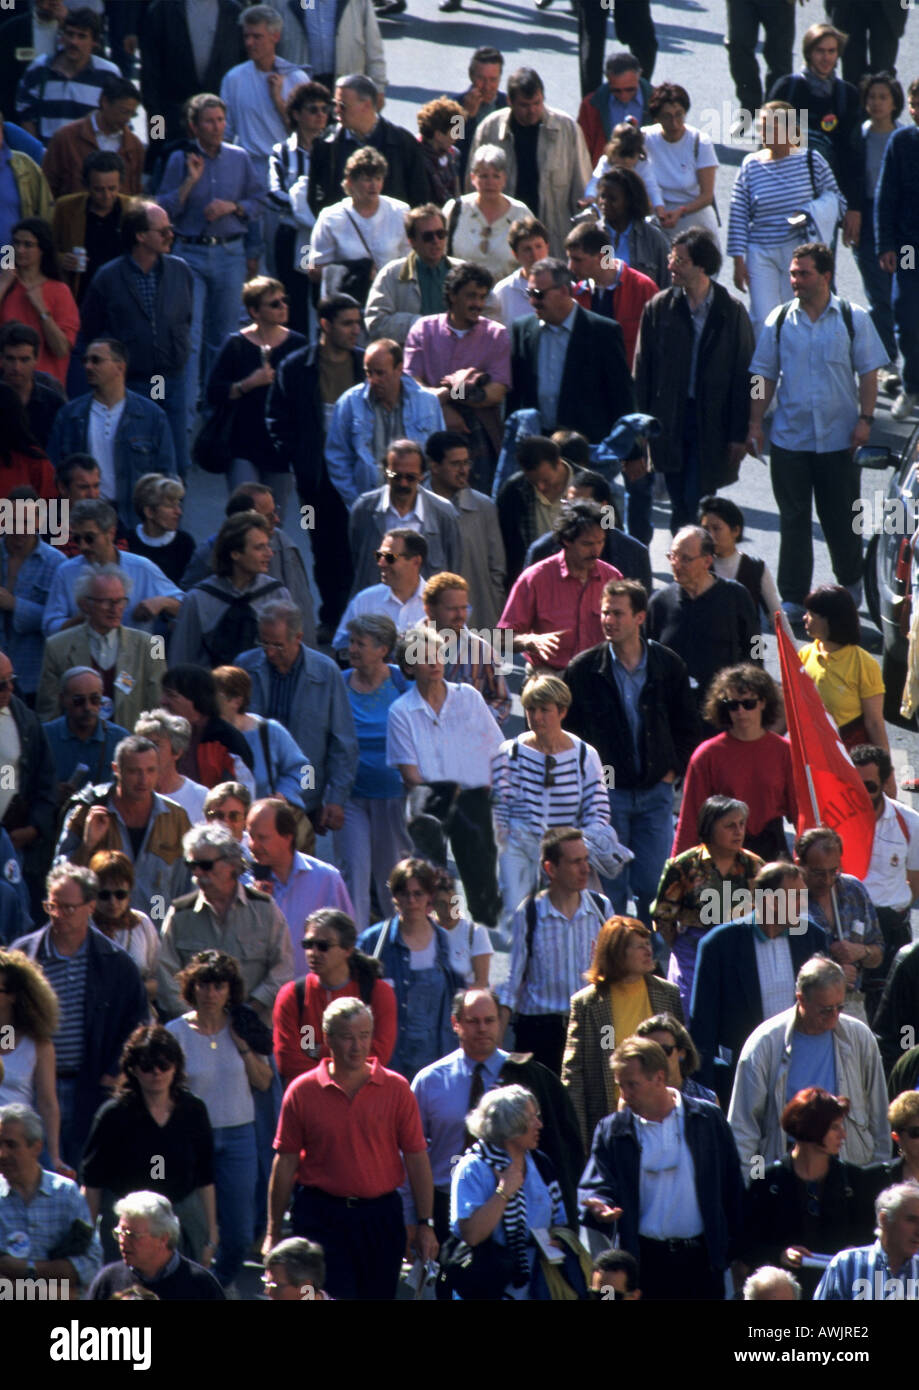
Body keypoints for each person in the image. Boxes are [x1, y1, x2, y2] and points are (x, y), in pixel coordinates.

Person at [266, 996, 437, 1300]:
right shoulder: (303, 1091)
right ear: (328, 1038)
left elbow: (416, 1158)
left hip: (380, 1217)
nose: (357, 1046)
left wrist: (425, 1222)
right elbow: (286, 1162)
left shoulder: (396, 1089)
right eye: (347, 1037)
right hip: (321, 1216)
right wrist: (273, 1230)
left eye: (364, 1036)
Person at [748, 240, 886, 617]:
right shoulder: (778, 321)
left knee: (841, 518)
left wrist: (866, 419)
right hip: (790, 441)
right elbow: (762, 376)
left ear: (825, 276)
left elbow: (869, 372)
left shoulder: (851, 318)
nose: (795, 280)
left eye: (803, 273)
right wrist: (756, 421)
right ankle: (793, 597)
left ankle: (850, 585)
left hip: (839, 440)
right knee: (793, 520)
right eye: (793, 273)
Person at [565, 578, 698, 925]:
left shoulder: (667, 665)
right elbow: (572, 736)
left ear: (640, 617)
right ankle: (615, 957)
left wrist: (672, 771)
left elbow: (688, 724)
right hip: (606, 798)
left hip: (655, 796)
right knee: (612, 890)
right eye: (605, 612)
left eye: (618, 613)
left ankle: (654, 959)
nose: (609, 620)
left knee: (654, 885)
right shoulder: (582, 670)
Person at [579, 1037, 744, 1302]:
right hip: (645, 1264)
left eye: (632, 1085)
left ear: (658, 1077)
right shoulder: (613, 1129)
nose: (624, 1095)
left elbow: (732, 1186)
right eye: (620, 1086)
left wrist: (737, 1252)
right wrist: (599, 1204)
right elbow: (596, 1183)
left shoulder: (708, 1119)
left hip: (701, 1263)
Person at [12, 863, 147, 1168]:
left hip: (92, 1086)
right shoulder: (23, 959)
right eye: (53, 906)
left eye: (69, 908)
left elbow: (136, 1022)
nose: (59, 915)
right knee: (35, 1170)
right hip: (32, 1085)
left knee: (87, 1170)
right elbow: (4, 1020)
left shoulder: (116, 963)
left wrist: (116, 1069)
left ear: (90, 906)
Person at [634, 227, 755, 532]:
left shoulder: (731, 312)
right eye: (671, 258)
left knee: (696, 500)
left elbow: (745, 377)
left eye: (680, 261)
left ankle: (694, 562)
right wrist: (641, 425)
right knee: (679, 500)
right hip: (670, 422)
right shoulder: (659, 308)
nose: (671, 266)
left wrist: (739, 433)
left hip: (712, 424)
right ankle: (689, 563)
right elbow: (642, 370)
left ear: (702, 266)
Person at [155, 92, 263, 433]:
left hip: (230, 253)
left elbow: (259, 201)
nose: (216, 127)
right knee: (191, 336)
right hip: (190, 254)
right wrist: (190, 181)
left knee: (225, 337)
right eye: (208, 121)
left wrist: (233, 208)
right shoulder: (179, 159)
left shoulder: (239, 157)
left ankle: (218, 413)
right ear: (194, 126)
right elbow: (163, 210)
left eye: (220, 120)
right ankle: (185, 417)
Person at [165, 949, 272, 1289]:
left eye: (219, 986)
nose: (210, 993)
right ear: (191, 988)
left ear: (230, 991)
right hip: (193, 1140)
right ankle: (195, 1287)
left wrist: (242, 1047)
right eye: (203, 985)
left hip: (239, 1135)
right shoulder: (175, 1033)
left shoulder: (243, 1026)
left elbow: (264, 1081)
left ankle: (218, 1284)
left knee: (240, 1230)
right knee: (195, 1227)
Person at [728, 956, 890, 1176]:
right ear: (801, 999)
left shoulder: (860, 1038)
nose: (834, 1017)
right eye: (825, 1010)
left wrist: (877, 1176)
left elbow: (879, 1115)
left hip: (849, 1169)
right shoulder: (764, 1044)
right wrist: (754, 1183)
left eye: (839, 1007)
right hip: (787, 1170)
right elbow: (744, 1128)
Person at [386, 627, 502, 927]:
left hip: (473, 800)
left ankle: (479, 949)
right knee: (434, 884)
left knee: (483, 892)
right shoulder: (400, 711)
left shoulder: (469, 698)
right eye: (424, 657)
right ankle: (441, 942)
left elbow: (494, 751)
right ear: (409, 667)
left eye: (437, 653)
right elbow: (411, 776)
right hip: (428, 806)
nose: (435, 661)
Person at [689, 862, 829, 1106]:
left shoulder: (812, 937)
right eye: (795, 897)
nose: (803, 905)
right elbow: (703, 1028)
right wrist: (706, 1094)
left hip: (801, 1073)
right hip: (741, 1079)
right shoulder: (719, 945)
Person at [265, 293, 363, 631]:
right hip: (316, 481)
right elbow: (276, 417)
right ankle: (332, 617)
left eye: (357, 322)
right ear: (325, 324)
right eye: (347, 323)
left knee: (361, 549)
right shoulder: (295, 367)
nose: (355, 330)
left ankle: (361, 619)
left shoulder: (364, 365)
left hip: (358, 476)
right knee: (323, 546)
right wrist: (296, 457)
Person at [81, 1024, 216, 1265]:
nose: (156, 1072)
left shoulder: (193, 1110)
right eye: (147, 1066)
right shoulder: (114, 1114)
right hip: (128, 1223)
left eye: (164, 1064)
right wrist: (89, 1238)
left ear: (176, 1067)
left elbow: (205, 1177)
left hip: (181, 1217)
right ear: (133, 1069)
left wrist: (211, 1235)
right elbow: (92, 1183)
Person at [77, 199, 193, 477]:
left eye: (170, 229)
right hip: (130, 382)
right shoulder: (109, 277)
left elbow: (185, 320)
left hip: (169, 379)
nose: (170, 236)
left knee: (176, 461)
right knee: (135, 461)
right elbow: (91, 330)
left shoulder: (180, 271)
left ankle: (172, 517)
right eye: (162, 231)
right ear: (140, 236)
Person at [492, 674, 612, 929]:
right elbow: (499, 814)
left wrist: (573, 852)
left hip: (572, 867)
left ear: (562, 712)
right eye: (530, 709)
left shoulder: (585, 755)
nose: (536, 717)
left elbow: (598, 811)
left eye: (544, 710)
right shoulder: (508, 754)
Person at [497, 827, 612, 1076]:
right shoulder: (529, 913)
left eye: (586, 860)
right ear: (551, 869)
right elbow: (510, 984)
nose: (586, 869)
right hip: (540, 1032)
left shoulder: (602, 909)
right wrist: (496, 1050)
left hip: (591, 1028)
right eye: (575, 862)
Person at [236, 600, 359, 830]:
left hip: (306, 786)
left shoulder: (325, 672)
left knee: (301, 861)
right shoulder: (246, 666)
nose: (270, 652)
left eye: (278, 645)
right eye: (264, 643)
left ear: (298, 638)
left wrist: (336, 799)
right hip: (254, 790)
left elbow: (343, 741)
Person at [744, 1086, 876, 1298]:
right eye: (835, 1127)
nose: (843, 1134)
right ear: (812, 1128)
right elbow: (746, 1243)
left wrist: (855, 1252)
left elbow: (872, 1238)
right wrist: (780, 1253)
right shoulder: (766, 1179)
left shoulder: (854, 1179)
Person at [563, 918, 683, 1152]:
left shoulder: (667, 994)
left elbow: (681, 1058)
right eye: (639, 946)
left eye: (648, 943)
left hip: (663, 1120)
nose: (648, 950)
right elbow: (573, 1075)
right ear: (617, 953)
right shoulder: (587, 1003)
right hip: (613, 1124)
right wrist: (578, 1138)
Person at [728, 100, 844, 337]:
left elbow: (837, 202)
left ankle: (793, 371)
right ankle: (765, 373)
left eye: (771, 128)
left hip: (799, 252)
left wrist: (810, 211)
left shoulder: (811, 160)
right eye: (761, 128)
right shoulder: (751, 165)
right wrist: (737, 260)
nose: (764, 134)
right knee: (763, 319)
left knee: (797, 315)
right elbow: (738, 212)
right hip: (760, 252)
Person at [156, 822, 292, 1025]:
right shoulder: (180, 914)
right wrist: (199, 1018)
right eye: (192, 866)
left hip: (252, 1030)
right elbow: (166, 976)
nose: (198, 873)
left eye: (206, 865)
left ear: (231, 864)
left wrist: (250, 1009)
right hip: (197, 1032)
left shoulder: (264, 909)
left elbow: (283, 968)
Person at [449, 1084, 569, 1301]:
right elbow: (471, 1235)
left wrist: (558, 1241)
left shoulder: (541, 1163)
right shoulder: (472, 1167)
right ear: (510, 1125)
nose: (540, 1125)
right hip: (487, 1286)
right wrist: (504, 1192)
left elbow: (559, 1222)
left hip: (538, 1285)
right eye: (532, 1118)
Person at [652, 795, 765, 1017]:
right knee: (691, 1011)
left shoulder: (754, 866)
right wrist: (681, 946)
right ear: (710, 827)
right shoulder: (684, 866)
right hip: (692, 950)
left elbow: (769, 913)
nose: (739, 831)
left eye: (741, 824)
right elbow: (663, 915)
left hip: (738, 950)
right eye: (730, 826)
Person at [508, 256, 635, 451]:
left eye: (539, 294)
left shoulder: (603, 332)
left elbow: (621, 396)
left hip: (588, 448)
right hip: (537, 448)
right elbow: (515, 395)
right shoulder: (522, 330)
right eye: (529, 293)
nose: (533, 301)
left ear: (564, 291)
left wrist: (631, 450)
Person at [55, 734, 192, 913]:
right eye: (134, 771)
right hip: (100, 931)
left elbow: (188, 885)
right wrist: (87, 846)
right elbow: (59, 878)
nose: (143, 780)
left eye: (150, 770)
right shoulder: (88, 810)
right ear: (116, 770)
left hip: (156, 930)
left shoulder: (176, 817)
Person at [403, 262, 510, 490]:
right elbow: (412, 385)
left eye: (482, 297)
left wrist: (450, 394)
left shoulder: (496, 335)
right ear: (452, 295)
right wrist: (444, 405)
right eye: (471, 296)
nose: (478, 304)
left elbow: (495, 392)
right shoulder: (423, 330)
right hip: (427, 430)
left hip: (478, 437)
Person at [332, 615, 410, 928]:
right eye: (351, 642)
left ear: (383, 649)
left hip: (393, 797)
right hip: (350, 796)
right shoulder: (338, 682)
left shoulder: (402, 682)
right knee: (353, 875)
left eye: (359, 643)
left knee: (392, 879)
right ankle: (354, 957)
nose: (352, 649)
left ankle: (400, 946)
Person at [48, 337, 177, 524]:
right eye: (85, 361)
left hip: (132, 520)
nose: (88, 366)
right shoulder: (70, 416)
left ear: (120, 367)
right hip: (83, 519)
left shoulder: (152, 417)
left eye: (96, 360)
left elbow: (166, 475)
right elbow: (54, 472)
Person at [356, 857, 463, 1082]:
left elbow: (460, 1002)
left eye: (418, 894)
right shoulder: (372, 943)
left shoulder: (448, 945)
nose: (411, 901)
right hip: (387, 1065)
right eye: (404, 893)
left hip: (437, 1065)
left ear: (430, 897)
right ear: (394, 897)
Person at [205, 275, 306, 512]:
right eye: (274, 304)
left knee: (273, 518)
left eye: (284, 300)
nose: (283, 307)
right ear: (254, 311)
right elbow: (213, 392)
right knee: (245, 514)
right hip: (242, 444)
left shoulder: (297, 344)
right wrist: (247, 384)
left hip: (281, 448)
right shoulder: (236, 344)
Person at [674, 664, 796, 860]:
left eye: (748, 704)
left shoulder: (785, 751)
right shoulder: (707, 755)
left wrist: (807, 860)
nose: (741, 711)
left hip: (773, 854)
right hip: (723, 858)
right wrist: (677, 873)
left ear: (763, 703)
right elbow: (690, 820)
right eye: (732, 705)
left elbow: (801, 813)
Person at [466, 67, 591, 258]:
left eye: (537, 103)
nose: (532, 110)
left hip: (553, 240)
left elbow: (583, 191)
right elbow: (472, 188)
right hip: (502, 243)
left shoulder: (567, 129)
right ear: (509, 101)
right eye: (524, 105)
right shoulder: (489, 129)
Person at [272, 908, 397, 1086]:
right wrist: (336, 1069)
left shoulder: (377, 992)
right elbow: (288, 1061)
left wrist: (315, 1050)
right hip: (311, 1099)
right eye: (308, 945)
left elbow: (379, 1055)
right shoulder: (292, 995)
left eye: (323, 946)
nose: (313, 952)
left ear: (347, 949)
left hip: (362, 1097)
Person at [498, 501, 622, 673]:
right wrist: (530, 641)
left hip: (599, 675)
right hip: (549, 674)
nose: (596, 551)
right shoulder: (535, 578)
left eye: (600, 542)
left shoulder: (612, 577)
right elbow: (502, 638)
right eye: (587, 544)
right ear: (566, 540)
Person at [646, 526, 760, 711]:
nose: (676, 564)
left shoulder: (735, 596)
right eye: (672, 556)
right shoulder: (659, 603)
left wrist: (752, 681)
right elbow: (647, 654)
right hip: (674, 708)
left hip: (724, 707)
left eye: (685, 559)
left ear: (707, 561)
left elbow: (755, 643)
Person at [36, 567, 165, 730]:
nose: (115, 608)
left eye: (121, 601)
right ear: (85, 605)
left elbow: (158, 708)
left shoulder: (153, 644)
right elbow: (48, 713)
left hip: (132, 747)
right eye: (106, 601)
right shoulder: (56, 646)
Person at [325, 341, 445, 509]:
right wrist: (357, 503)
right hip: (370, 506)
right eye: (368, 372)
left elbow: (438, 455)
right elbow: (337, 459)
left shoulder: (427, 402)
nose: (373, 380)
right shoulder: (349, 403)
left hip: (418, 505)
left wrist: (428, 500)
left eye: (380, 373)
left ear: (398, 369)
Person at [0, 1101, 102, 1296]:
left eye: (11, 1145)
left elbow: (91, 1263)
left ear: (36, 1147)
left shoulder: (66, 1194)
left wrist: (25, 1270)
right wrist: (56, 1286)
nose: (2, 1154)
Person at [245, 797, 354, 977]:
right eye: (250, 836)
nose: (253, 846)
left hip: (313, 994)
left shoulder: (326, 879)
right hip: (259, 995)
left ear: (287, 837)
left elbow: (348, 941)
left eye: (262, 838)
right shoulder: (244, 880)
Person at [850, 743, 919, 1025]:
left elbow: (915, 882)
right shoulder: (834, 820)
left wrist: (896, 909)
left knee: (890, 1014)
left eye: (870, 787)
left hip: (890, 927)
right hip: (847, 927)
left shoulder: (910, 822)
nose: (862, 795)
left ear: (885, 782)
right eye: (855, 786)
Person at [41, 499, 183, 636]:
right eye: (77, 539)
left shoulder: (142, 568)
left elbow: (187, 607)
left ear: (111, 534)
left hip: (133, 656)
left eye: (90, 538)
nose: (83, 546)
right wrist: (85, 618)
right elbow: (50, 627)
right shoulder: (66, 572)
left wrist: (162, 602)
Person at [767, 22, 862, 225]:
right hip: (784, 192)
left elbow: (853, 157)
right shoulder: (786, 88)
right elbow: (766, 145)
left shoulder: (848, 95)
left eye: (831, 51)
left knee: (820, 256)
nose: (826, 58)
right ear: (808, 52)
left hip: (825, 198)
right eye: (820, 51)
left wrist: (854, 207)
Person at [169, 510, 289, 668]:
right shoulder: (198, 599)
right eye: (259, 548)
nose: (269, 554)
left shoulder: (277, 594)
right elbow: (180, 659)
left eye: (268, 546)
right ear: (235, 554)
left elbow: (290, 653)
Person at [347, 440, 462, 593]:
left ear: (422, 475)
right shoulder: (364, 509)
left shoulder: (443, 513)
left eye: (410, 477)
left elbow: (453, 569)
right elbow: (355, 561)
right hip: (379, 609)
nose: (403, 483)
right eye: (395, 476)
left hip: (427, 611)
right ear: (385, 472)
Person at [795, 827, 883, 1027]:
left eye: (833, 871)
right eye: (818, 873)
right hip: (808, 1011)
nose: (827, 880)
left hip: (852, 1006)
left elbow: (879, 953)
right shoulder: (791, 899)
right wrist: (833, 971)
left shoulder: (854, 890)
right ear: (800, 865)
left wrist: (861, 951)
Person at [309, 74, 428, 213]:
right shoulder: (325, 143)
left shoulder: (402, 142)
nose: (336, 111)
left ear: (366, 105)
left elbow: (419, 198)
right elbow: (315, 197)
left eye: (342, 106)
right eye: (334, 105)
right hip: (343, 232)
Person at [851, 73, 904, 389]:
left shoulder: (908, 138)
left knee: (907, 290)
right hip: (869, 224)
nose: (877, 103)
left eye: (883, 97)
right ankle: (888, 361)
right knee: (879, 293)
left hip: (903, 229)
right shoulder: (857, 137)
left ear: (894, 102)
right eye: (872, 97)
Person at [424, 433, 507, 632]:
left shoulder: (484, 507)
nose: (464, 471)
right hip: (428, 622)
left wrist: (494, 611)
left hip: (479, 619)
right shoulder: (415, 505)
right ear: (434, 466)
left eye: (466, 463)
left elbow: (497, 567)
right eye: (455, 464)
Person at [267, 80, 331, 334]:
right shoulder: (282, 151)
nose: (320, 115)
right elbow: (273, 193)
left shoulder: (335, 149)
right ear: (296, 114)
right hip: (297, 236)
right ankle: (298, 355)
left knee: (324, 299)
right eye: (313, 109)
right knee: (294, 298)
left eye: (325, 109)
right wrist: (302, 212)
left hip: (326, 236)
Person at [308, 146, 409, 305]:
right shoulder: (330, 217)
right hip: (349, 304)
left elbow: (409, 260)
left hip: (391, 300)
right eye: (367, 179)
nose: (374, 185)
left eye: (378, 178)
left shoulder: (400, 211)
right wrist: (357, 271)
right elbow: (315, 270)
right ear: (350, 182)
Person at [139, 0, 246, 148]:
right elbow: (150, 74)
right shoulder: (161, 10)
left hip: (218, 122)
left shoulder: (233, 11)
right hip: (172, 117)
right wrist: (157, 135)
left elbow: (242, 65)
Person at [0, 645, 57, 916]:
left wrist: (34, 828)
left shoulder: (25, 719)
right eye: (1, 684)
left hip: (15, 840)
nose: (9, 689)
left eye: (12, 681)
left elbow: (45, 781)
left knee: (18, 914)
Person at [88, 1190, 225, 1301]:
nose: (123, 1241)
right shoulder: (109, 1281)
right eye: (120, 1233)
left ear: (163, 1238)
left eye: (132, 1235)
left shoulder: (201, 1286)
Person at [875, 77, 919, 421]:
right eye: (916, 105)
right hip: (909, 247)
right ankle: (912, 387)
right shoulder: (901, 142)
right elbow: (885, 196)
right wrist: (886, 244)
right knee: (906, 315)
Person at [0, 483, 67, 703]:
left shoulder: (57, 564)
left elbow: (60, 622)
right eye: (15, 521)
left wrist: (15, 605)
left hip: (33, 675)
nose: (20, 529)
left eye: (27, 522)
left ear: (39, 520)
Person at [800, 584, 887, 751]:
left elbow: (874, 722)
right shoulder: (804, 655)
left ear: (830, 620)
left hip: (849, 755)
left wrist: (885, 771)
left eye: (811, 614)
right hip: (812, 750)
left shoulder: (864, 664)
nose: (804, 618)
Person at [15, 7, 120, 143]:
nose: (73, 42)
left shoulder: (109, 74)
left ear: (95, 42)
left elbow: (117, 118)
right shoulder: (39, 68)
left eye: (81, 36)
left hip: (91, 158)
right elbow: (26, 116)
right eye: (70, 34)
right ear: (62, 36)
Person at [0, 950, 64, 1172]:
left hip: (17, 1144)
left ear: (12, 996)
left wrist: (55, 1156)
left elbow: (48, 1103)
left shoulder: (39, 1045)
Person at [212, 665, 310, 810]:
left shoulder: (270, 731)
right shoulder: (208, 734)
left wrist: (285, 794)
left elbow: (308, 771)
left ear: (237, 701)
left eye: (215, 697)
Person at [366, 204, 463, 345]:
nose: (436, 241)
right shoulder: (392, 274)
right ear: (412, 241)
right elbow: (376, 323)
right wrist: (420, 325)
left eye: (440, 234)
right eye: (428, 236)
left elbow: (488, 313)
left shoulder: (462, 271)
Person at [0, 217, 79, 389]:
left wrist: (42, 310)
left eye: (28, 245)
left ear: (42, 249)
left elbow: (61, 349)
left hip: (46, 387)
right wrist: (3, 285)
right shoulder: (4, 285)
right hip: (6, 386)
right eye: (17, 243)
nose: (20, 250)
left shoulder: (59, 291)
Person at [566, 220, 659, 368]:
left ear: (602, 256)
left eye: (577, 259)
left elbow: (658, 346)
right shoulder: (576, 294)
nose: (570, 267)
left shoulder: (643, 289)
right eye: (569, 259)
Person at [40, 74, 143, 199]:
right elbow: (46, 188)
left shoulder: (134, 146)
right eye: (124, 112)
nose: (127, 119)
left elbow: (136, 193)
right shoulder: (65, 138)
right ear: (104, 102)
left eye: (132, 114)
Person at [49, 150, 131, 307]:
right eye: (98, 189)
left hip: (121, 296)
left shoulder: (131, 210)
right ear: (86, 185)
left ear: (121, 184)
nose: (106, 195)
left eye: (112, 188)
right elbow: (46, 247)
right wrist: (61, 258)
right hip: (81, 293)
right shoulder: (66, 208)